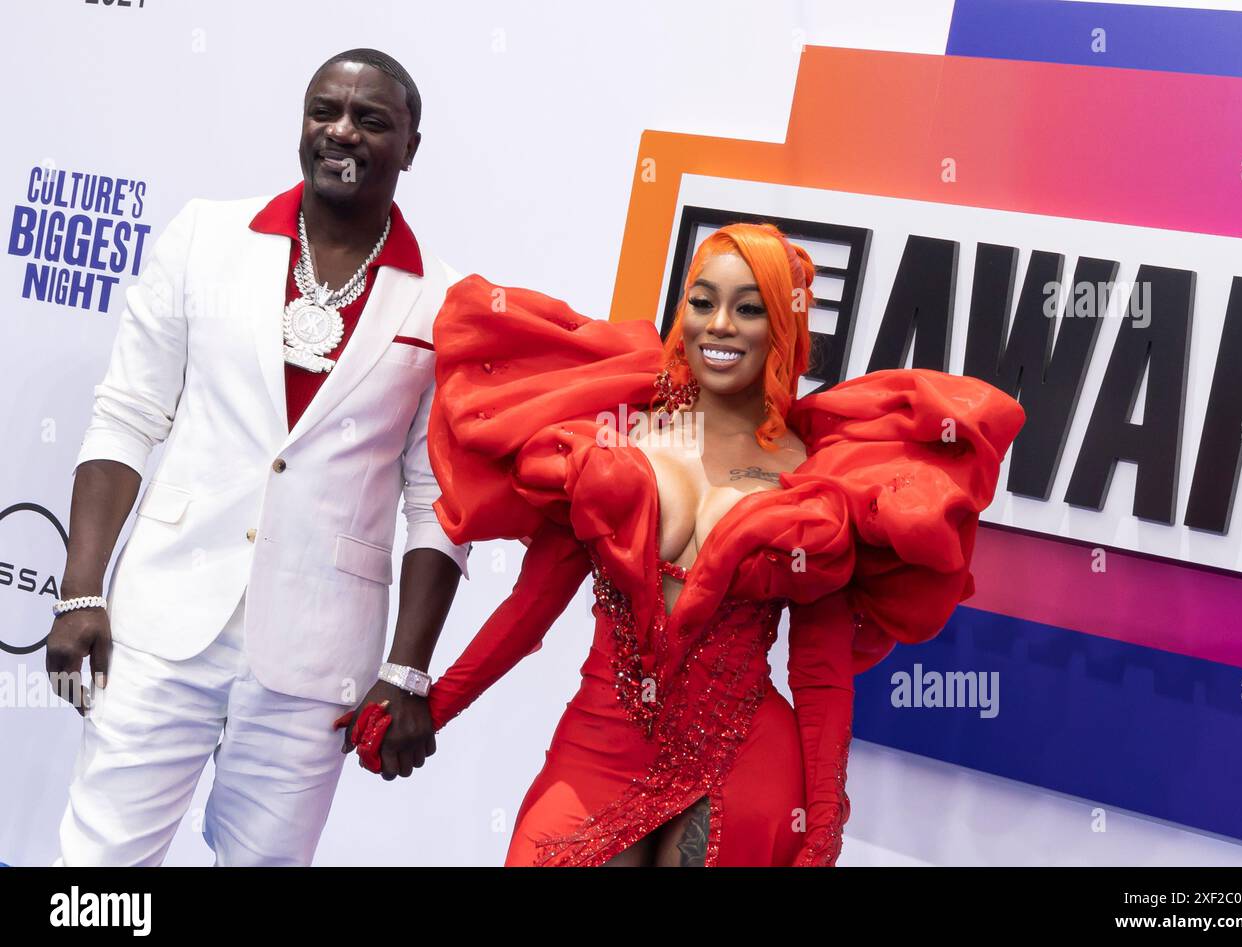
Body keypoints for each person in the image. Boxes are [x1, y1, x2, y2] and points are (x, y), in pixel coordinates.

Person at [346, 222, 1024, 865]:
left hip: (745, 755)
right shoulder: (613, 439)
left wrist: (823, 823)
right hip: (599, 744)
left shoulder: (817, 478)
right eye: (703, 301)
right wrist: (426, 701)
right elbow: (530, 610)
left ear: (782, 328)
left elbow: (819, 672)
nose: (719, 325)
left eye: (748, 308)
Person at [46, 49, 468, 866]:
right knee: (97, 865)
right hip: (163, 621)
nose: (340, 130)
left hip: (317, 662)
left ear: (411, 148)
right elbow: (126, 417)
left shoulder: (443, 303)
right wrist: (80, 591)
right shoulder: (207, 235)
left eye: (370, 119)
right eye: (323, 111)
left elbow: (437, 504)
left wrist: (407, 671)